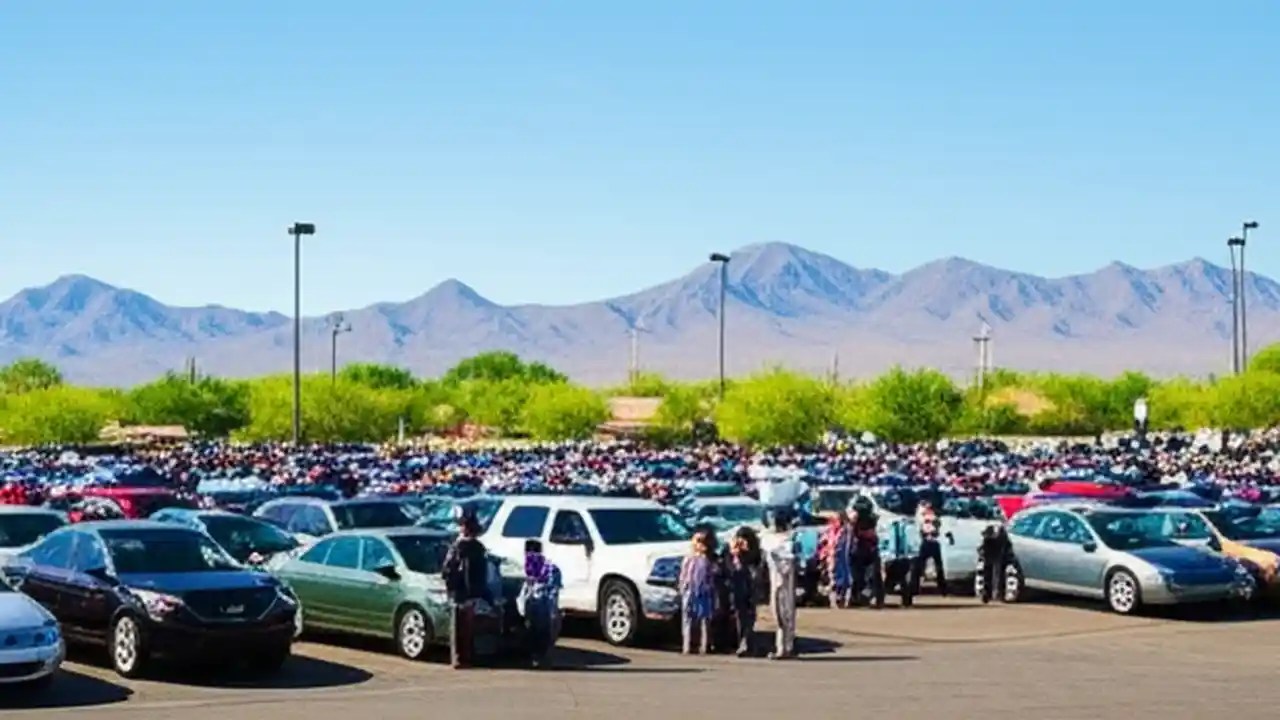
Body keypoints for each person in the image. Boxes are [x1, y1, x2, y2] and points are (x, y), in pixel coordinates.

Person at [442, 504, 493, 669]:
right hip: (467, 592)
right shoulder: (475, 548)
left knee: (460, 627)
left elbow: (447, 570)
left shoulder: (462, 547)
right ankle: (465, 657)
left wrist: (451, 585)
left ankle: (461, 657)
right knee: (465, 626)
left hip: (462, 592)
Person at [518, 539, 562, 668]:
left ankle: (541, 657)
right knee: (534, 631)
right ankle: (537, 656)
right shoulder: (535, 568)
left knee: (542, 631)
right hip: (535, 607)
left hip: (544, 608)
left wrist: (553, 611)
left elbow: (553, 592)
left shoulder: (549, 569)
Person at [761, 509, 798, 660]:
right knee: (778, 615)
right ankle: (784, 647)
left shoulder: (786, 541)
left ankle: (785, 648)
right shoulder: (770, 539)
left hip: (784, 583)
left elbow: (788, 559)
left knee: (784, 614)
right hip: (775, 581)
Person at [678, 530, 716, 655]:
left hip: (704, 591)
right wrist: (682, 587)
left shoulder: (708, 559)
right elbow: (684, 574)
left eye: (702, 541)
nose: (698, 544)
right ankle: (686, 645)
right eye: (697, 541)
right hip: (690, 589)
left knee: (704, 618)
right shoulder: (689, 558)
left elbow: (712, 574)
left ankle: (704, 645)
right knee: (687, 617)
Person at [725, 531, 757, 657]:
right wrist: (734, 554)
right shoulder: (728, 556)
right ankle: (741, 643)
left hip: (748, 592)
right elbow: (727, 570)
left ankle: (746, 644)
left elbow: (755, 569)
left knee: (748, 618)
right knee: (738, 619)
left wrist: (744, 553)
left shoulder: (751, 556)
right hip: (734, 592)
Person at [849, 499, 884, 608]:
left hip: (871, 551)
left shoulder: (874, 519)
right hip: (858, 552)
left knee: (873, 576)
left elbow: (875, 535)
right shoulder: (854, 520)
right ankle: (856, 597)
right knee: (856, 577)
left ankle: (874, 597)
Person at [913, 499, 948, 597]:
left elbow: (937, 525)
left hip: (932, 540)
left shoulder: (930, 515)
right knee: (919, 567)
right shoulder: (921, 514)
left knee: (937, 567)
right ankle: (915, 588)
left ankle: (942, 588)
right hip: (926, 541)